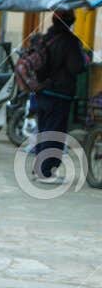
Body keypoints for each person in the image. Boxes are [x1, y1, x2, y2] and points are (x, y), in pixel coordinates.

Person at [27, 9, 88, 179]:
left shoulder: (44, 38)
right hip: (59, 93)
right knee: (54, 132)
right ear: (70, 23)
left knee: (44, 129)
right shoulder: (70, 42)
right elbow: (76, 67)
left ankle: (40, 167)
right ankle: (45, 169)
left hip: (41, 91)